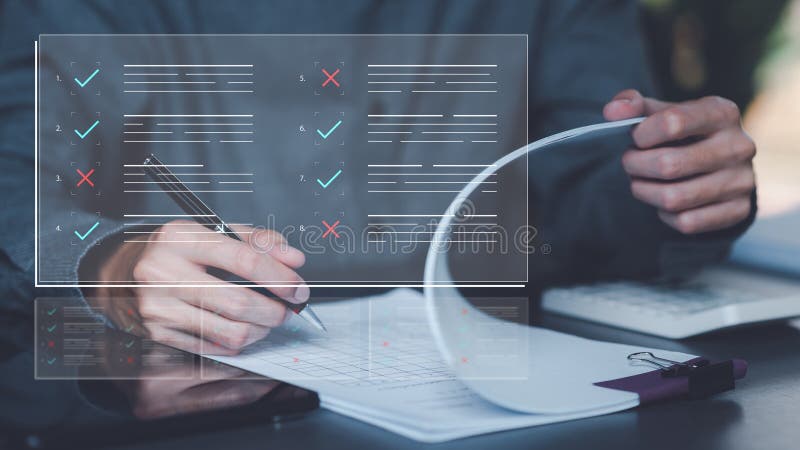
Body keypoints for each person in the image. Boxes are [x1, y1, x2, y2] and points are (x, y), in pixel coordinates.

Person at [0, 0, 756, 355]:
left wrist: (680, 186)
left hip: (500, 389)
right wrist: (112, 264)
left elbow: (584, 189)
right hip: (187, 403)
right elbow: (18, 185)